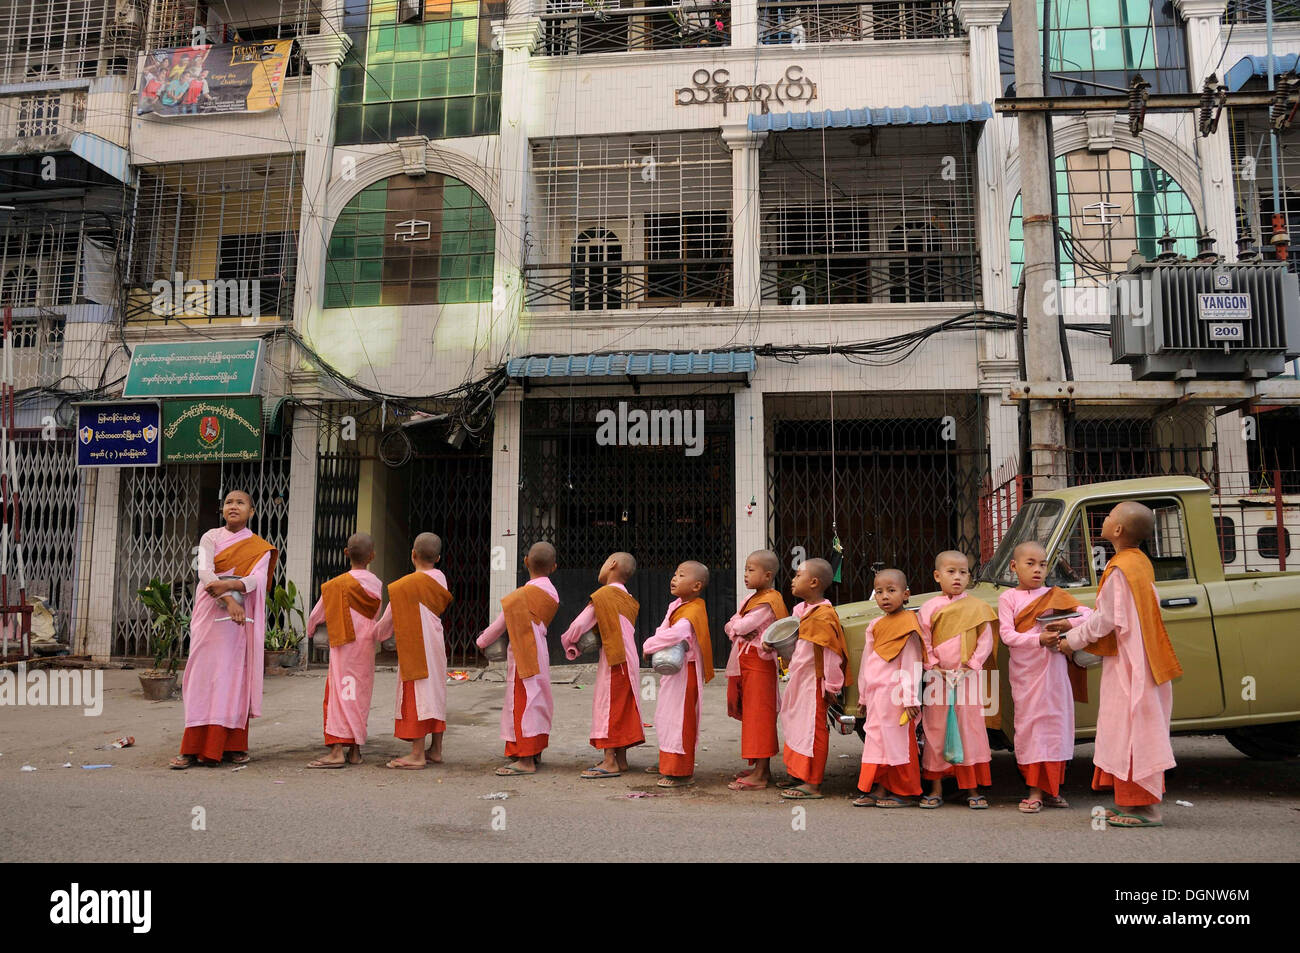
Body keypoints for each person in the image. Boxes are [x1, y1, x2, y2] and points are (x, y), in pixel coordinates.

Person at [1061, 501, 1183, 828]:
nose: (1105, 519)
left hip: (1131, 665)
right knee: (1132, 730)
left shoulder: (1120, 569)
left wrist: (1070, 641)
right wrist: (1072, 627)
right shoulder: (1139, 562)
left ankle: (1148, 810)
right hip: (1140, 657)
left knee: (1131, 731)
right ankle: (1133, 805)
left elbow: (1104, 621)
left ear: (1117, 530)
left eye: (1111, 515)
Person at [169, 490, 277, 769]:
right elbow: (205, 573)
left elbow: (257, 579)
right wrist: (229, 600)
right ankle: (191, 747)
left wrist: (229, 585)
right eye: (229, 502)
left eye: (240, 503)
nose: (233, 506)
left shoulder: (260, 547)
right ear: (222, 509)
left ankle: (232, 746)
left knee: (231, 678)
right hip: (209, 616)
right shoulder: (210, 537)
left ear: (251, 512)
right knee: (202, 676)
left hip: (237, 625)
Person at [998, 541, 1093, 813]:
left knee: (1055, 728)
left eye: (1043, 564)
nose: (1037, 570)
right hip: (1026, 676)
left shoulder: (1054, 594)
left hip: (1054, 672)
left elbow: (1090, 615)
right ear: (1014, 566)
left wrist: (1067, 624)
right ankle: (1034, 791)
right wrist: (1038, 639)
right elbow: (1007, 636)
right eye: (1030, 564)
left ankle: (1052, 790)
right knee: (1031, 729)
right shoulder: (1009, 599)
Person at [919, 550, 998, 809]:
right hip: (938, 680)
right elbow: (924, 641)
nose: (957, 577)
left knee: (969, 730)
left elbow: (986, 640)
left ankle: (971, 788)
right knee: (936, 730)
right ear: (937, 576)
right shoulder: (929, 608)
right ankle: (936, 787)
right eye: (951, 572)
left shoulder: (977, 607)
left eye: (963, 572)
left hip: (967, 678)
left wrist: (971, 665)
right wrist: (933, 665)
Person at [477, 542, 560, 776]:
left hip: (524, 653)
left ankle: (525, 760)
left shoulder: (520, 596)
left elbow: (497, 627)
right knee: (539, 699)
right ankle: (535, 750)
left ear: (525, 562)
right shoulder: (552, 592)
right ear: (554, 567)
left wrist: (481, 642)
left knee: (523, 702)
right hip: (540, 651)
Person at [559, 551, 644, 779]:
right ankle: (622, 759)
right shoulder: (629, 599)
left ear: (613, 564)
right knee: (623, 706)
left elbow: (579, 626)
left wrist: (569, 644)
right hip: (629, 659)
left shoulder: (604, 594)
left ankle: (609, 761)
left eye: (605, 561)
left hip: (614, 658)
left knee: (609, 706)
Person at [303, 533, 384, 768]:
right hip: (365, 646)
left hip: (343, 644)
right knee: (359, 694)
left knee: (339, 694)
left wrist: (310, 630)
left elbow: (317, 614)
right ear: (372, 556)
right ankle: (356, 750)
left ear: (346, 553)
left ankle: (337, 751)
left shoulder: (336, 585)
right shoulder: (376, 584)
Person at [374, 533, 453, 769]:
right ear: (438, 558)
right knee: (435, 691)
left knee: (416, 693)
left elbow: (384, 628)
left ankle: (417, 754)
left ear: (412, 554)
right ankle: (436, 749)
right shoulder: (440, 578)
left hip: (416, 645)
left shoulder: (404, 586)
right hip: (436, 644)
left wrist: (370, 634)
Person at [779, 557, 851, 800]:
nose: (793, 579)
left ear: (813, 582)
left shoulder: (823, 616)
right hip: (799, 679)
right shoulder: (802, 611)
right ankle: (798, 773)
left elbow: (831, 656)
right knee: (795, 725)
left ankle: (813, 783)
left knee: (813, 731)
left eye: (798, 575)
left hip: (815, 684)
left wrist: (832, 686)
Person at [853, 569, 923, 808]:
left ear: (906, 595)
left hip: (897, 696)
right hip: (876, 696)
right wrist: (863, 695)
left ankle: (905, 791)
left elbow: (912, 664)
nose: (885, 596)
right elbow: (866, 662)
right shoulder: (874, 625)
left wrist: (911, 698)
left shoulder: (909, 625)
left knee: (898, 743)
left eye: (891, 591)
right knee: (877, 741)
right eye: (879, 591)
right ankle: (881, 787)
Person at [641, 561, 712, 789]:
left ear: (696, 586)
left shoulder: (694, 609)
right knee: (666, 716)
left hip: (687, 671)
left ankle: (681, 772)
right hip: (674, 670)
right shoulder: (677, 605)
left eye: (681, 575)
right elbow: (664, 629)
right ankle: (668, 760)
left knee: (680, 720)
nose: (674, 578)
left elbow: (677, 633)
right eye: (675, 574)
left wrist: (649, 644)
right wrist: (655, 642)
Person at [724, 549, 786, 791]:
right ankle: (761, 768)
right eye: (745, 569)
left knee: (760, 717)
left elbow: (743, 624)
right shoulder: (750, 600)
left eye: (751, 570)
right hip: (745, 662)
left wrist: (736, 627)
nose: (746, 575)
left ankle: (760, 774)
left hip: (760, 663)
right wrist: (735, 628)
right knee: (752, 716)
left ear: (768, 575)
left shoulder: (769, 602)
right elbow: (731, 624)